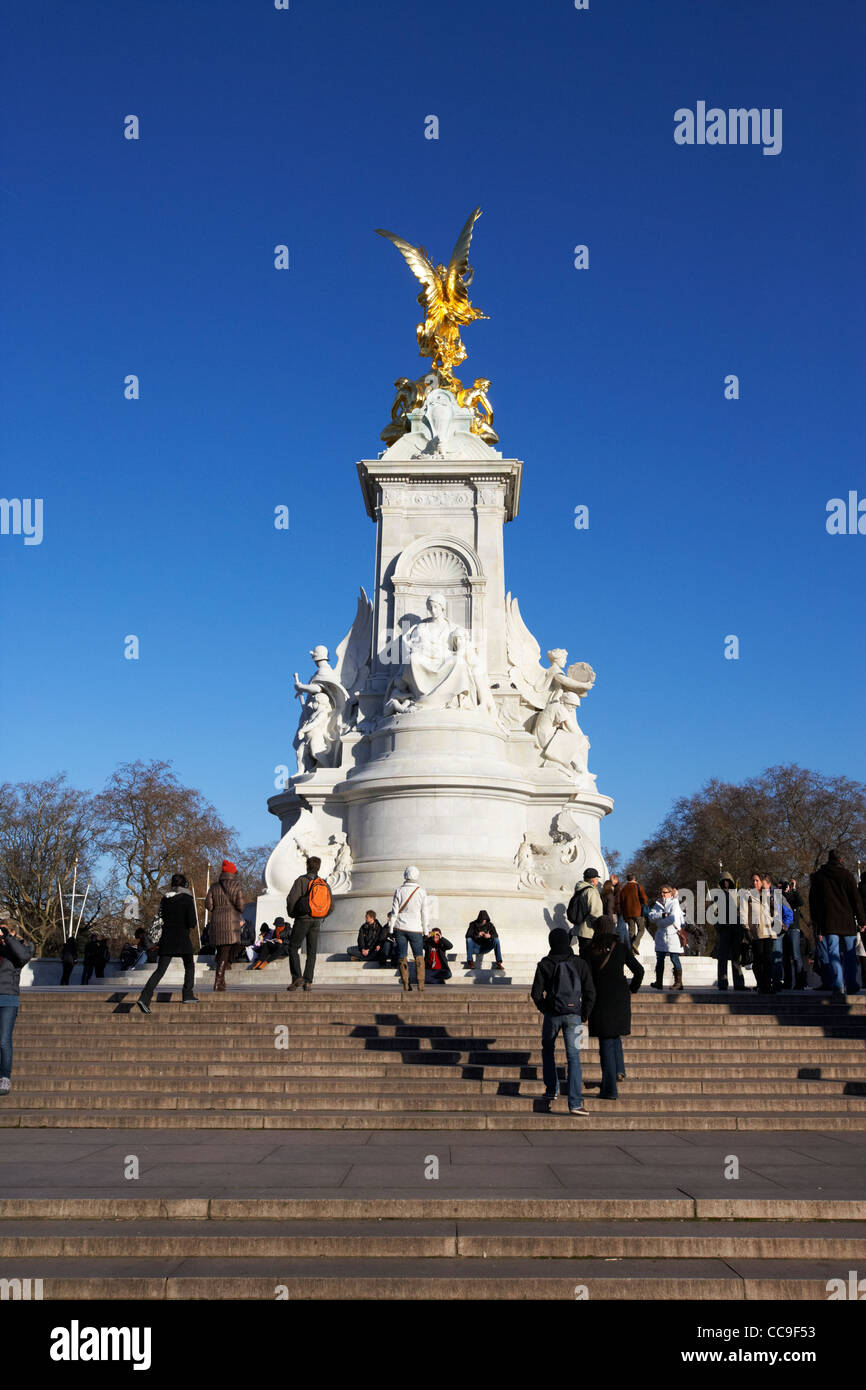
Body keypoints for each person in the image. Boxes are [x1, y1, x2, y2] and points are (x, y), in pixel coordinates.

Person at [531, 927, 595, 1116]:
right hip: (574, 1015)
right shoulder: (580, 963)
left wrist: (546, 1009)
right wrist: (583, 1015)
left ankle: (552, 1089)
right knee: (574, 1057)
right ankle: (575, 1103)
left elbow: (535, 994)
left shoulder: (545, 964)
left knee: (548, 1050)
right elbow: (591, 992)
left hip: (552, 1015)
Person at [587, 918, 644, 1099]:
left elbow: (584, 977)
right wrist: (632, 988)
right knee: (614, 1035)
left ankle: (610, 1088)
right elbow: (639, 971)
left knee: (605, 1041)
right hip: (620, 996)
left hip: (600, 997)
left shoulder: (589, 950)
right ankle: (619, 1071)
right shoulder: (620, 947)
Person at [137, 872, 199, 1012]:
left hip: (167, 938)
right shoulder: (187, 899)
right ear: (184, 885)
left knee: (160, 971)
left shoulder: (165, 899)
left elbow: (160, 918)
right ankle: (187, 994)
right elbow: (192, 922)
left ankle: (145, 997)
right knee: (189, 965)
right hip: (182, 938)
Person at [808, 849, 866, 996]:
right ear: (841, 860)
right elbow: (856, 900)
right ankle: (851, 984)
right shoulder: (847, 876)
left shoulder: (819, 877)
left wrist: (817, 924)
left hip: (828, 921)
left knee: (833, 952)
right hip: (846, 921)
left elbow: (814, 903)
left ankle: (838, 985)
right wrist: (861, 920)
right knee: (850, 953)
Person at [285, 856, 332, 992]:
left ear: (307, 865)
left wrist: (292, 914)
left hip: (302, 919)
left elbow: (291, 899)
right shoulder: (323, 883)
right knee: (312, 951)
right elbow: (331, 904)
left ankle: (297, 977)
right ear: (319, 867)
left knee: (293, 947)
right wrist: (322, 914)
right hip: (316, 921)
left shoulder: (301, 880)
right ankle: (308, 981)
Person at [0, 915, 34, 1095]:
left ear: (13, 931)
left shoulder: (23, 947)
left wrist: (8, 937)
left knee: (3, 1040)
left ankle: (4, 1077)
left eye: (5, 929)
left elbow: (22, 957)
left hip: (8, 998)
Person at [205, 859, 246, 993]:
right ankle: (218, 981)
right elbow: (240, 906)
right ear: (233, 873)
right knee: (225, 952)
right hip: (231, 921)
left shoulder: (214, 886)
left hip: (217, 922)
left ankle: (222, 981)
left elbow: (208, 905)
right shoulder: (237, 886)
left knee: (222, 950)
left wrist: (218, 909)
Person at [390, 866, 430, 993]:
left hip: (400, 927)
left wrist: (391, 929)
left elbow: (394, 912)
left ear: (405, 875)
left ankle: (406, 983)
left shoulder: (398, 891)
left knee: (402, 957)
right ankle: (421, 984)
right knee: (419, 957)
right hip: (415, 928)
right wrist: (426, 930)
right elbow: (425, 913)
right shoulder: (421, 892)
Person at [740, 871, 775, 993]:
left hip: (769, 931)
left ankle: (767, 984)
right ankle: (761, 984)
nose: (755, 882)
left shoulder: (767, 894)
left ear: (762, 882)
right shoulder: (747, 895)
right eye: (753, 880)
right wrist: (746, 929)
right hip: (756, 932)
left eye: (757, 880)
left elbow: (773, 912)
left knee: (768, 960)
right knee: (758, 960)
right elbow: (743, 913)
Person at [647, 885, 686, 991]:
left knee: (675, 959)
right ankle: (658, 982)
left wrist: (659, 923)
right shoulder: (658, 904)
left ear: (670, 893)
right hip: (661, 937)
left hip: (672, 936)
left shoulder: (675, 904)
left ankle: (678, 982)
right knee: (659, 959)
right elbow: (651, 917)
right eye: (661, 892)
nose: (662, 894)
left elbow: (672, 919)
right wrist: (662, 915)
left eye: (664, 892)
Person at [714, 872, 745, 991]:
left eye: (728, 881)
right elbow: (714, 913)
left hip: (736, 929)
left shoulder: (736, 895)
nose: (726, 884)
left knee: (736, 958)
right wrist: (718, 926)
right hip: (724, 930)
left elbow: (742, 911)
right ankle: (722, 982)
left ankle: (739, 983)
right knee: (722, 958)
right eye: (723, 882)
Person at [566, 868, 604, 960]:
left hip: (579, 929)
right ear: (592, 880)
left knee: (583, 955)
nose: (597, 881)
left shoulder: (579, 889)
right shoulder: (591, 891)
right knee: (590, 959)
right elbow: (596, 913)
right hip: (589, 931)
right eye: (597, 879)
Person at [781, 878, 807, 990]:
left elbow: (801, 902)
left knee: (796, 956)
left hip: (794, 928)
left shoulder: (793, 897)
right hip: (783, 929)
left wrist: (794, 889)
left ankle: (799, 982)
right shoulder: (781, 897)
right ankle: (787, 981)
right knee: (785, 957)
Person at [618, 873, 648, 953]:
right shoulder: (638, 886)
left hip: (628, 914)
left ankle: (630, 949)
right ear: (634, 878)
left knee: (631, 931)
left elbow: (621, 902)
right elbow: (644, 899)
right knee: (641, 929)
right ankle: (635, 944)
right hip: (638, 912)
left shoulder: (624, 889)